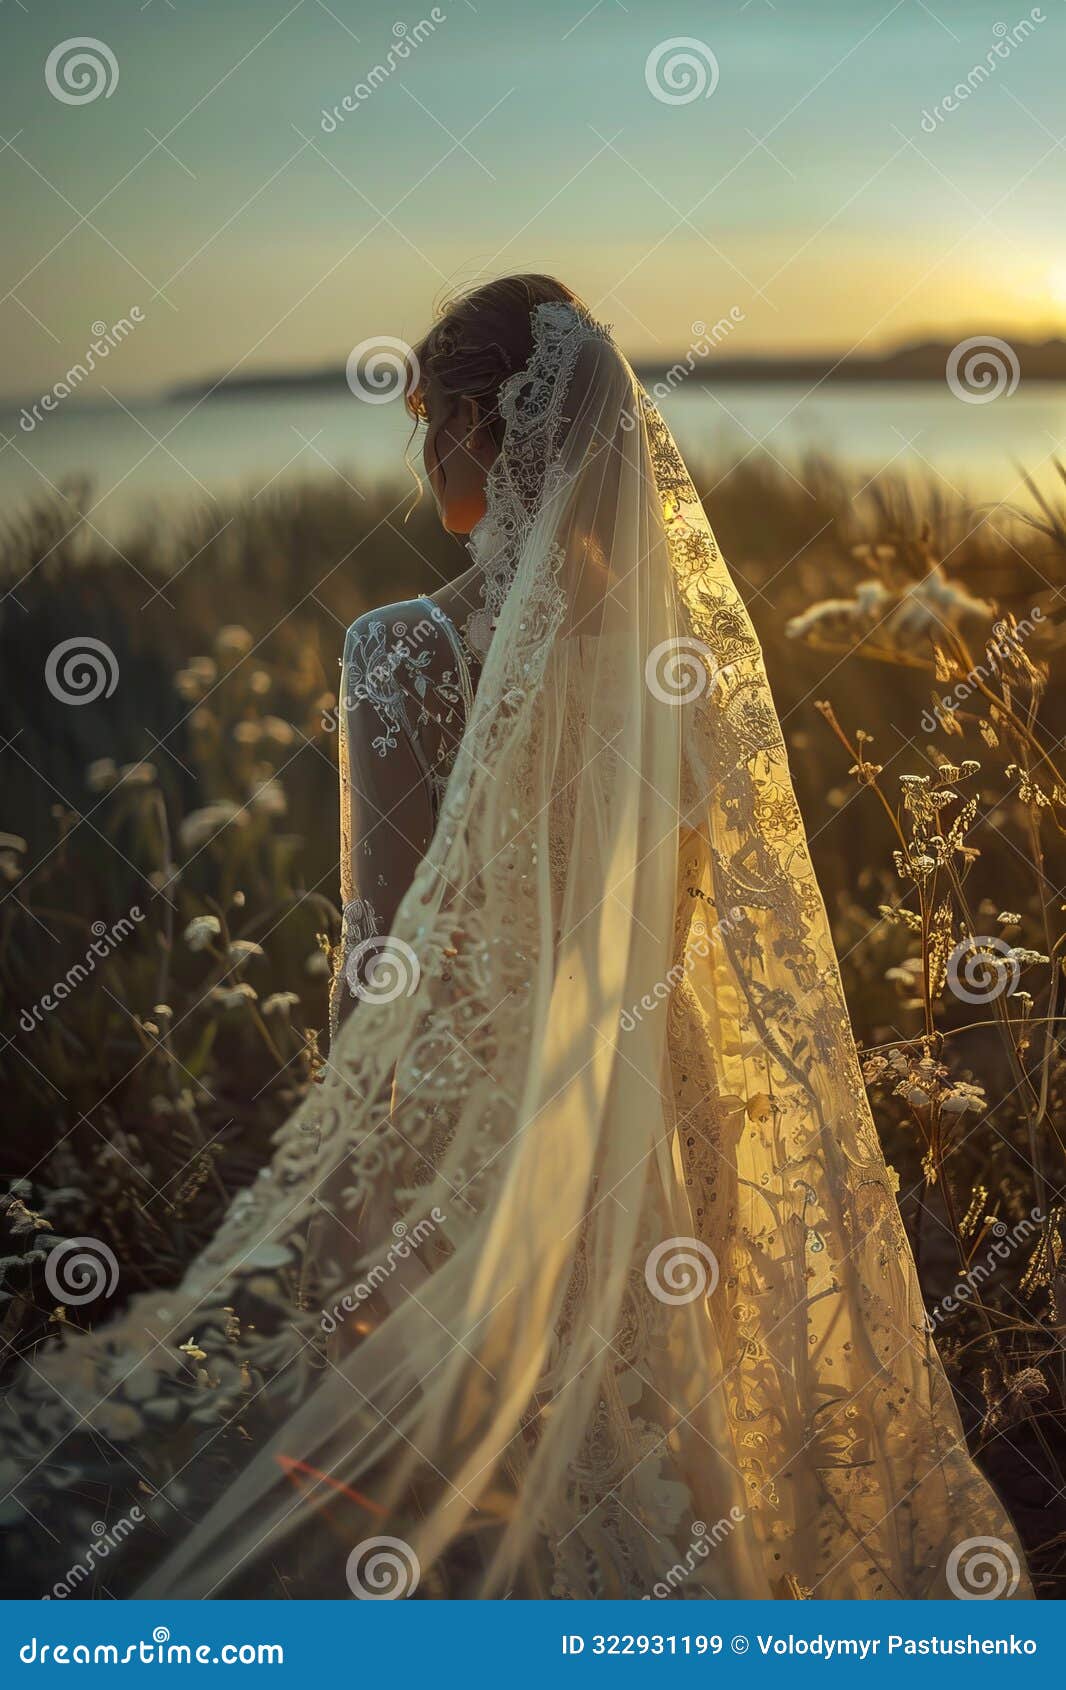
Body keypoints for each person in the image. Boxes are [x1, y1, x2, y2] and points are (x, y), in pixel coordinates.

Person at [1, 276, 1030, 1601]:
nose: (418, 448)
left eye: (427, 416)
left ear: (486, 433)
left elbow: (388, 954)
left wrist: (363, 1164)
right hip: (666, 1120)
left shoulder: (400, 650)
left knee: (470, 1493)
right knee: (650, 1467)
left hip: (488, 1124)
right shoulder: (678, 666)